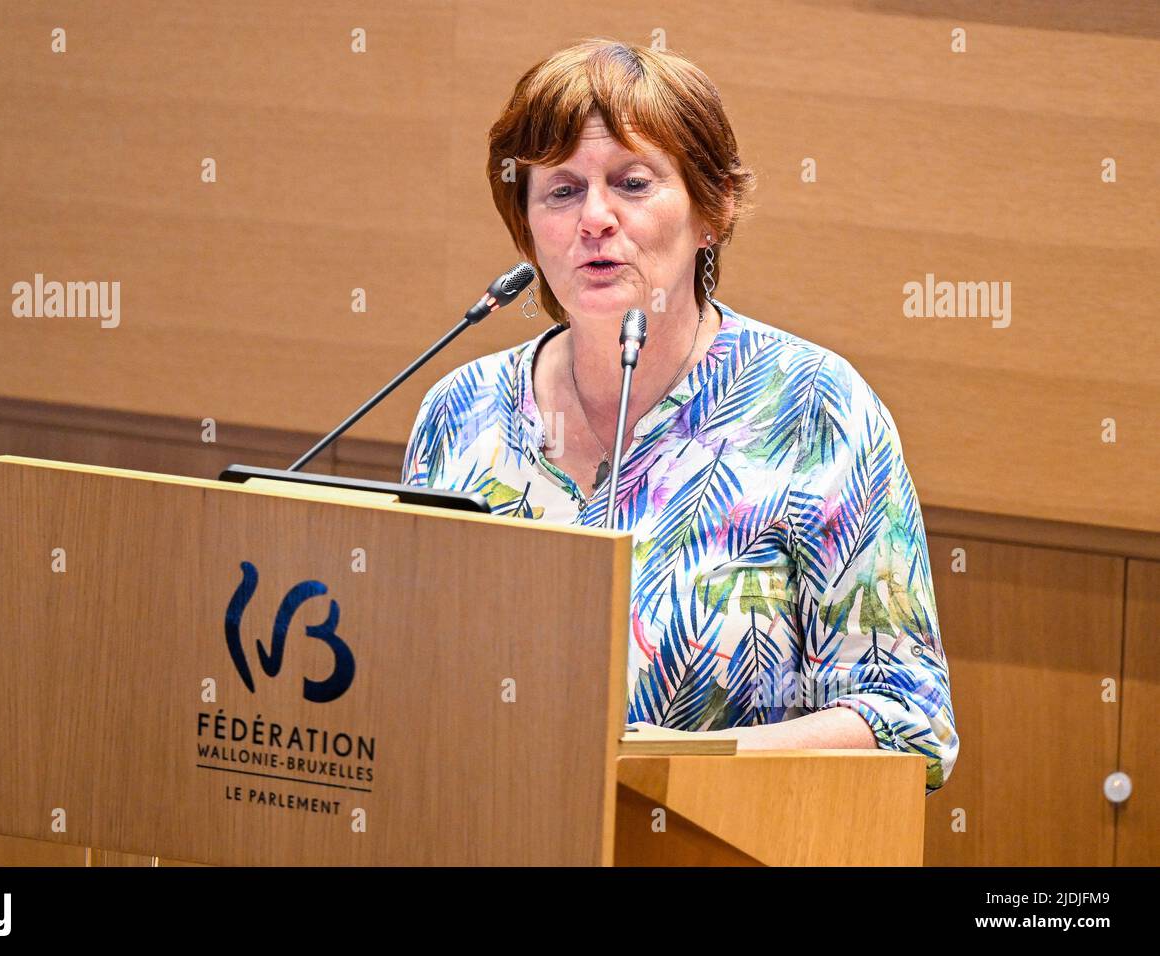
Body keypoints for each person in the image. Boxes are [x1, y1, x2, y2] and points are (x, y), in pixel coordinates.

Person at [401, 38, 957, 792]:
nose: (594, 218)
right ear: (525, 225)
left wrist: (661, 769)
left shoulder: (816, 406)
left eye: (631, 183)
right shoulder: (459, 412)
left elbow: (907, 717)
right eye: (560, 191)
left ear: (713, 210)